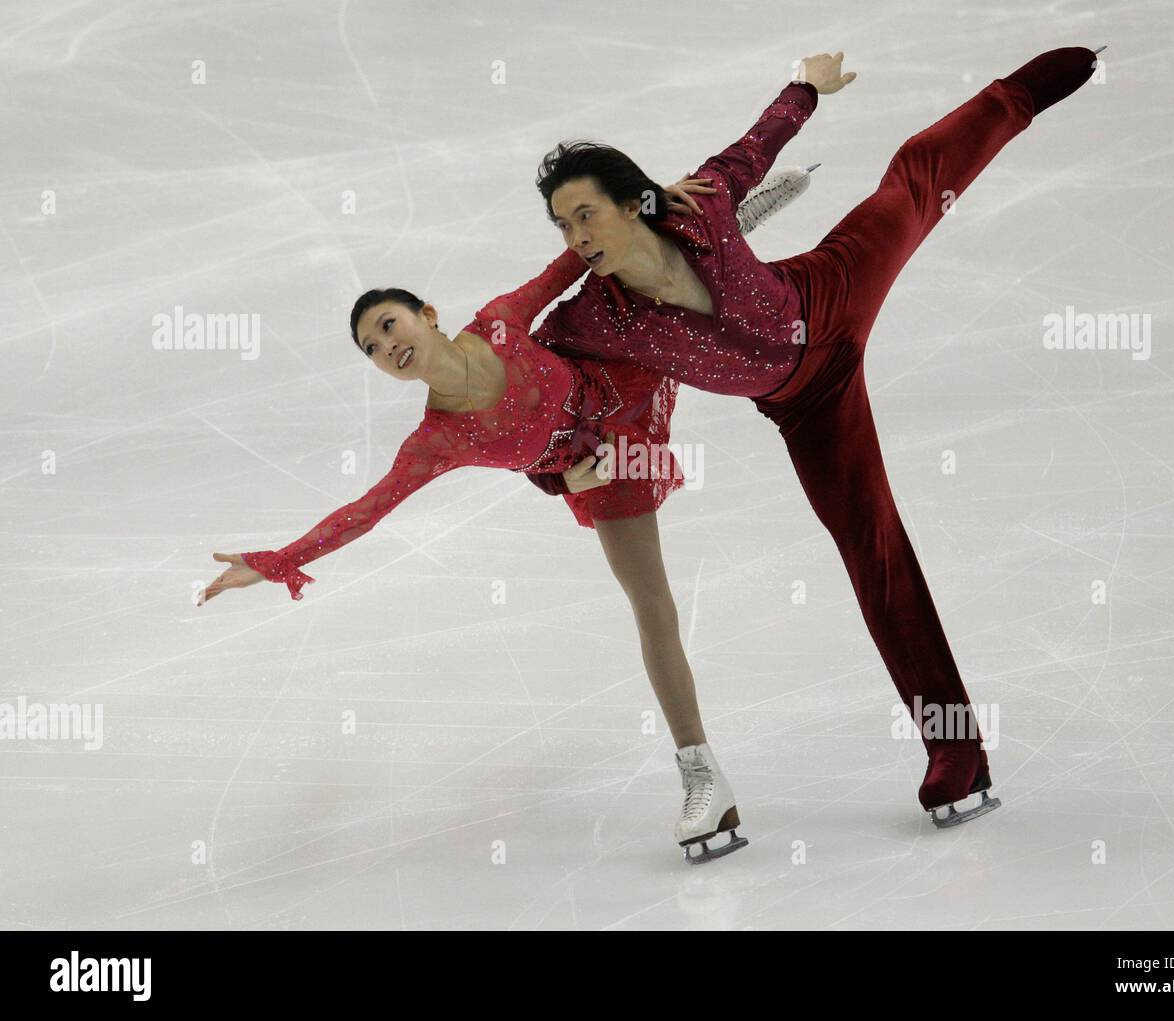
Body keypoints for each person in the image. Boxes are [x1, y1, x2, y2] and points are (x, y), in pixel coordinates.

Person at [524, 46, 1107, 827]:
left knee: (912, 185)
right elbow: (531, 407)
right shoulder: (589, 320)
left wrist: (808, 86)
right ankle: (956, 751)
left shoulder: (697, 205)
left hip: (831, 290)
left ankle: (1020, 94)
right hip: (807, 401)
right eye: (563, 224)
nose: (576, 235)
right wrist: (561, 475)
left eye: (585, 212)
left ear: (632, 203)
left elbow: (761, 139)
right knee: (874, 549)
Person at [201, 173, 814, 863]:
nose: (386, 345)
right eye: (372, 348)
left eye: (388, 324)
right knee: (653, 605)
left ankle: (722, 234)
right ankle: (703, 774)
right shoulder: (435, 440)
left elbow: (568, 261)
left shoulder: (498, 320)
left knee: (637, 294)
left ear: (427, 313)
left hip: (613, 356)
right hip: (601, 459)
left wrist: (641, 200)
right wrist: (278, 560)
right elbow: (365, 511)